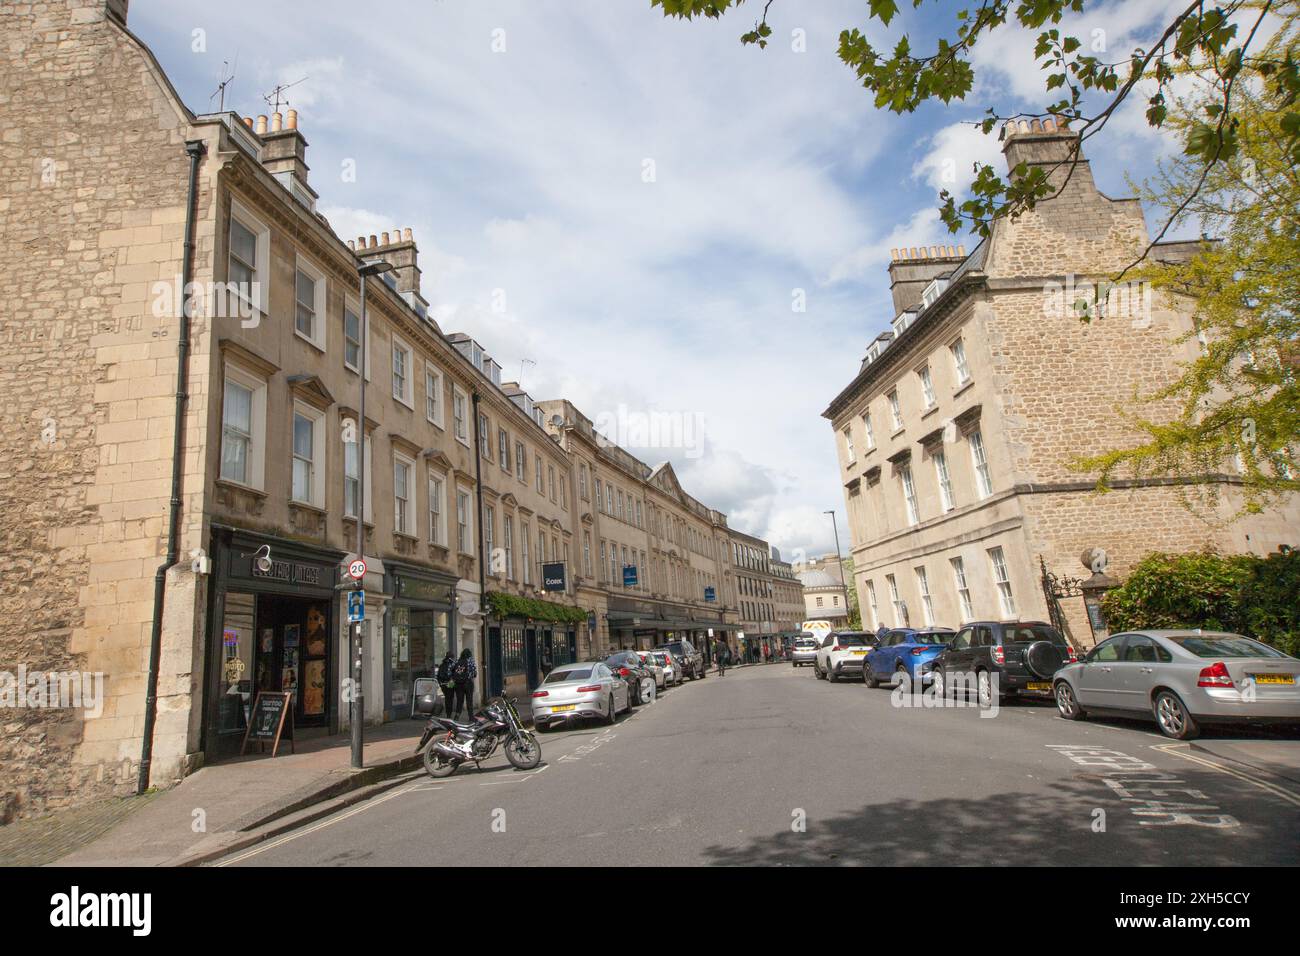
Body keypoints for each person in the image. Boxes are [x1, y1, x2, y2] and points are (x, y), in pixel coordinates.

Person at [450, 648, 477, 720]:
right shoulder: (470, 661)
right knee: (469, 700)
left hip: (458, 684)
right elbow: (474, 674)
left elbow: (451, 671)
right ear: (469, 654)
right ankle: (471, 717)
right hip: (468, 683)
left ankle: (457, 716)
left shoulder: (456, 661)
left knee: (460, 700)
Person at [435, 651, 456, 717]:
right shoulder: (453, 664)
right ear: (452, 657)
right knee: (450, 698)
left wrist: (440, 684)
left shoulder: (442, 664)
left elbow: (438, 675)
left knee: (447, 698)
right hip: (450, 683)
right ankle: (449, 714)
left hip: (443, 684)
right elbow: (455, 674)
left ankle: (448, 713)